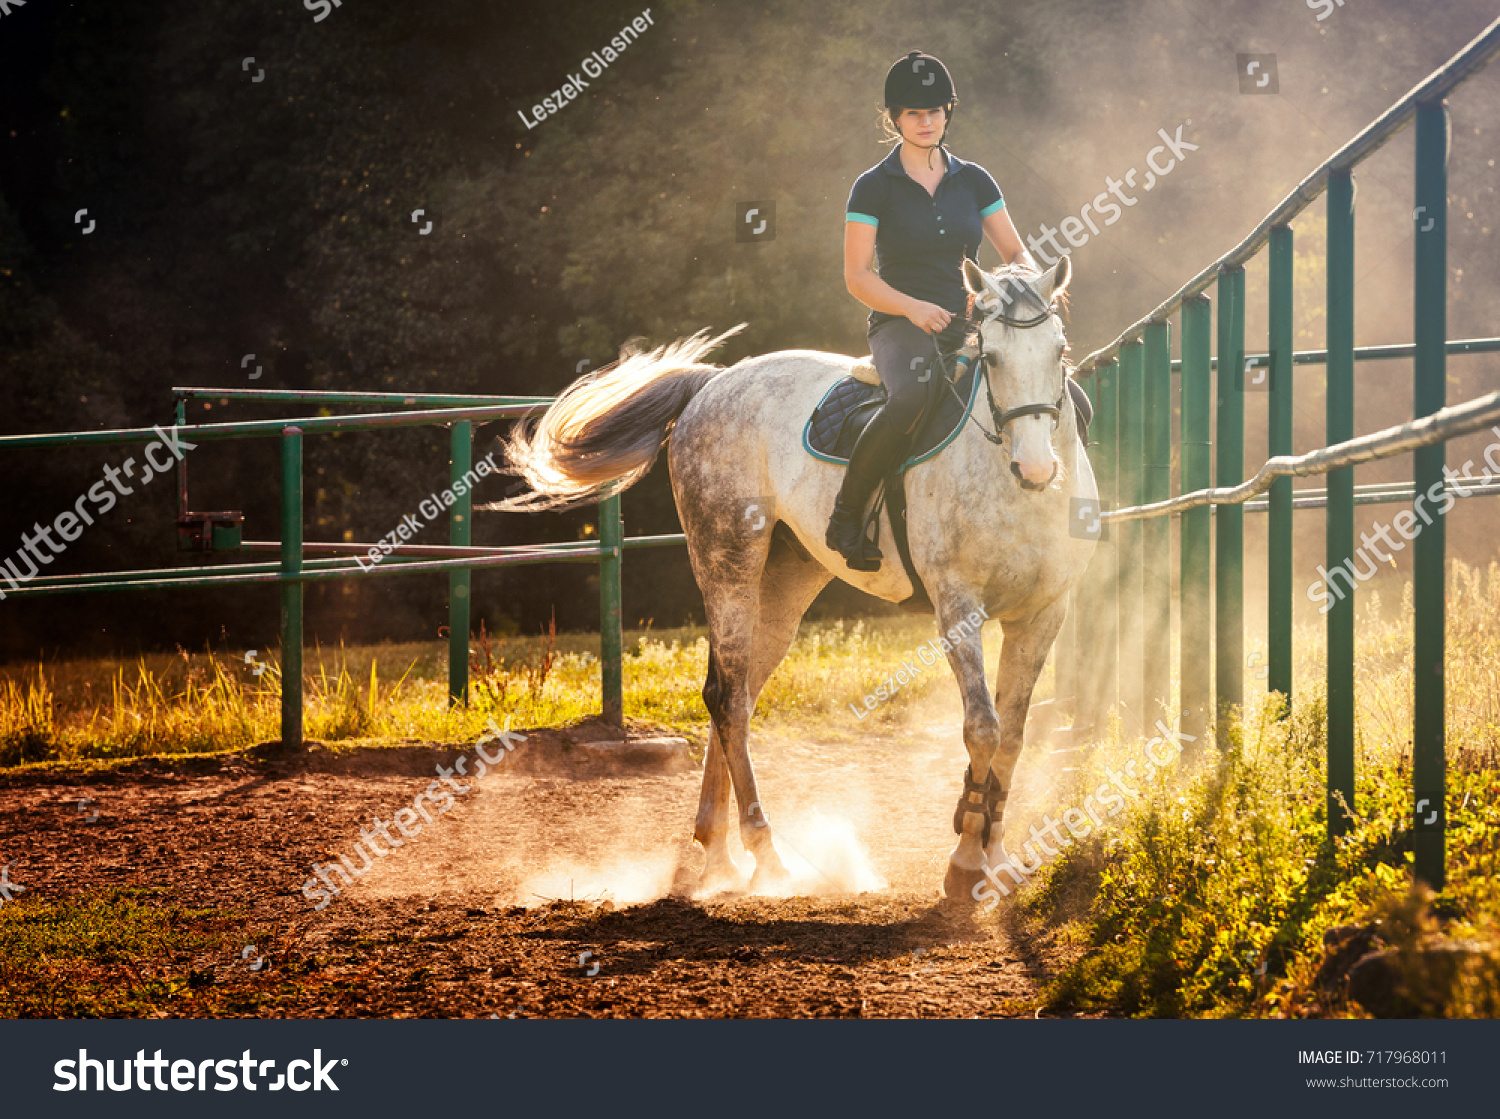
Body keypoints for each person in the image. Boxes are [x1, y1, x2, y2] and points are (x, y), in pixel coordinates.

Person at [828, 50, 1042, 572]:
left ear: (948, 112)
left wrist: (1026, 287)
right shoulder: (872, 186)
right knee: (911, 399)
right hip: (901, 322)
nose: (926, 122)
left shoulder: (975, 180)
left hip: (973, 320)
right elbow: (857, 277)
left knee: (1063, 393)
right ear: (895, 119)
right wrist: (913, 308)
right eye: (913, 114)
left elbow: (1016, 254)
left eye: (935, 111)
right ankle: (846, 515)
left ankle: (1069, 508)